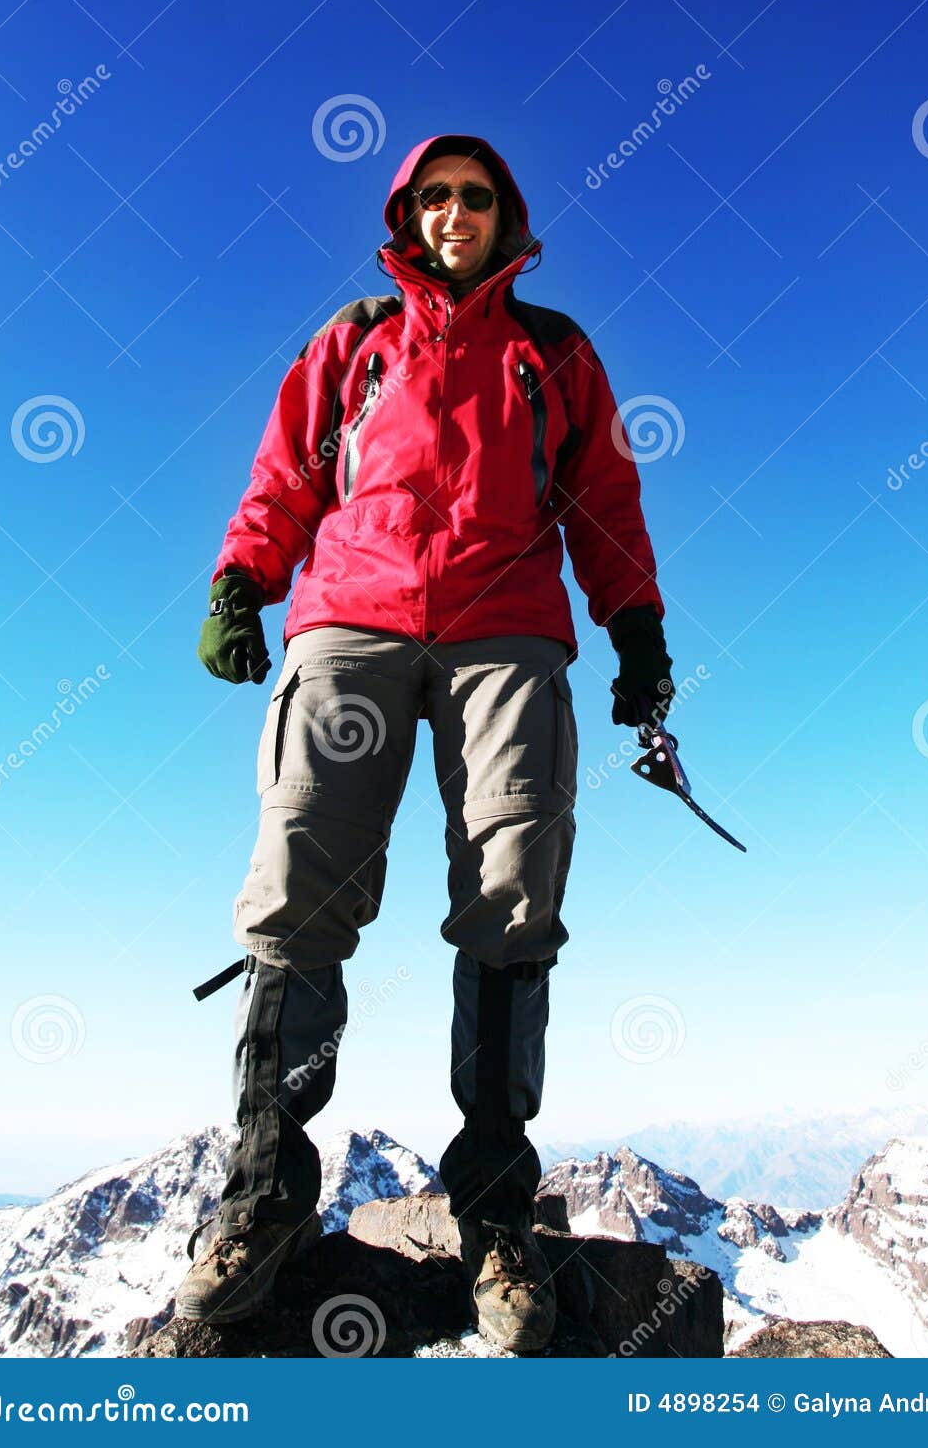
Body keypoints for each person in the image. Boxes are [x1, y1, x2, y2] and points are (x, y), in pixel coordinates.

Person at [175, 134, 673, 1353]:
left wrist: (637, 629)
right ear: (410, 213)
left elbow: (605, 500)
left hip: (508, 625)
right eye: (435, 195)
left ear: (507, 216)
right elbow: (287, 471)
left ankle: (496, 1214)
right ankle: (265, 1196)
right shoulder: (354, 339)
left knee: (513, 891)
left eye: (478, 195)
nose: (457, 212)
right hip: (350, 611)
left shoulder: (552, 352)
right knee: (296, 886)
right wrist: (242, 579)